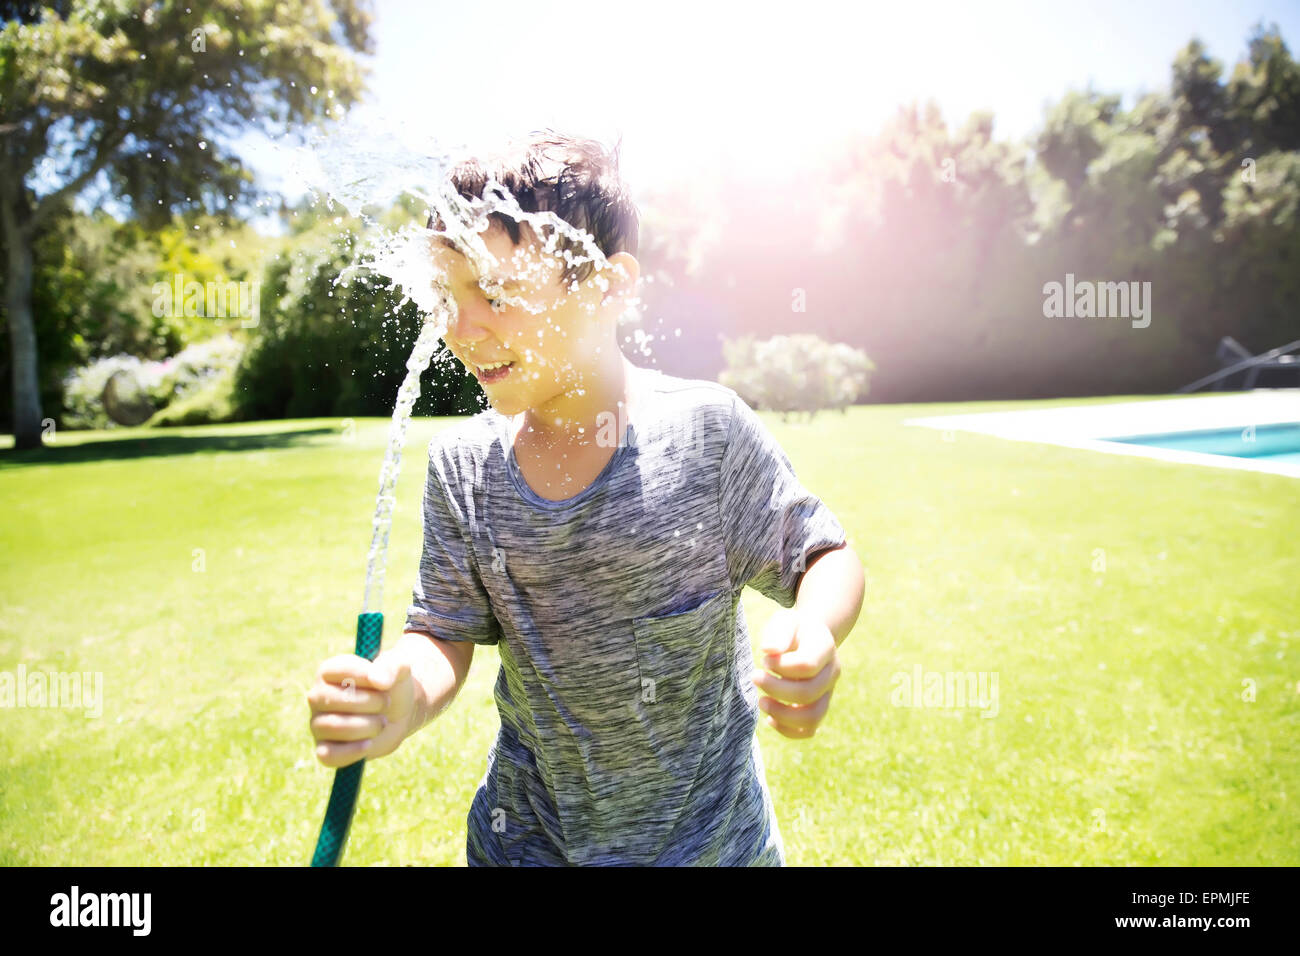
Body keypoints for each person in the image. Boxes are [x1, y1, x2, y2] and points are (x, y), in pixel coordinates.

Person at [307, 130, 865, 865]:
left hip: (710, 848)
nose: (461, 327)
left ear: (606, 286)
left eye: (497, 292)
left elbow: (822, 554)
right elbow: (442, 630)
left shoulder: (705, 435)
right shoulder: (465, 467)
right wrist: (404, 692)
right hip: (528, 844)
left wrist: (817, 630)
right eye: (448, 293)